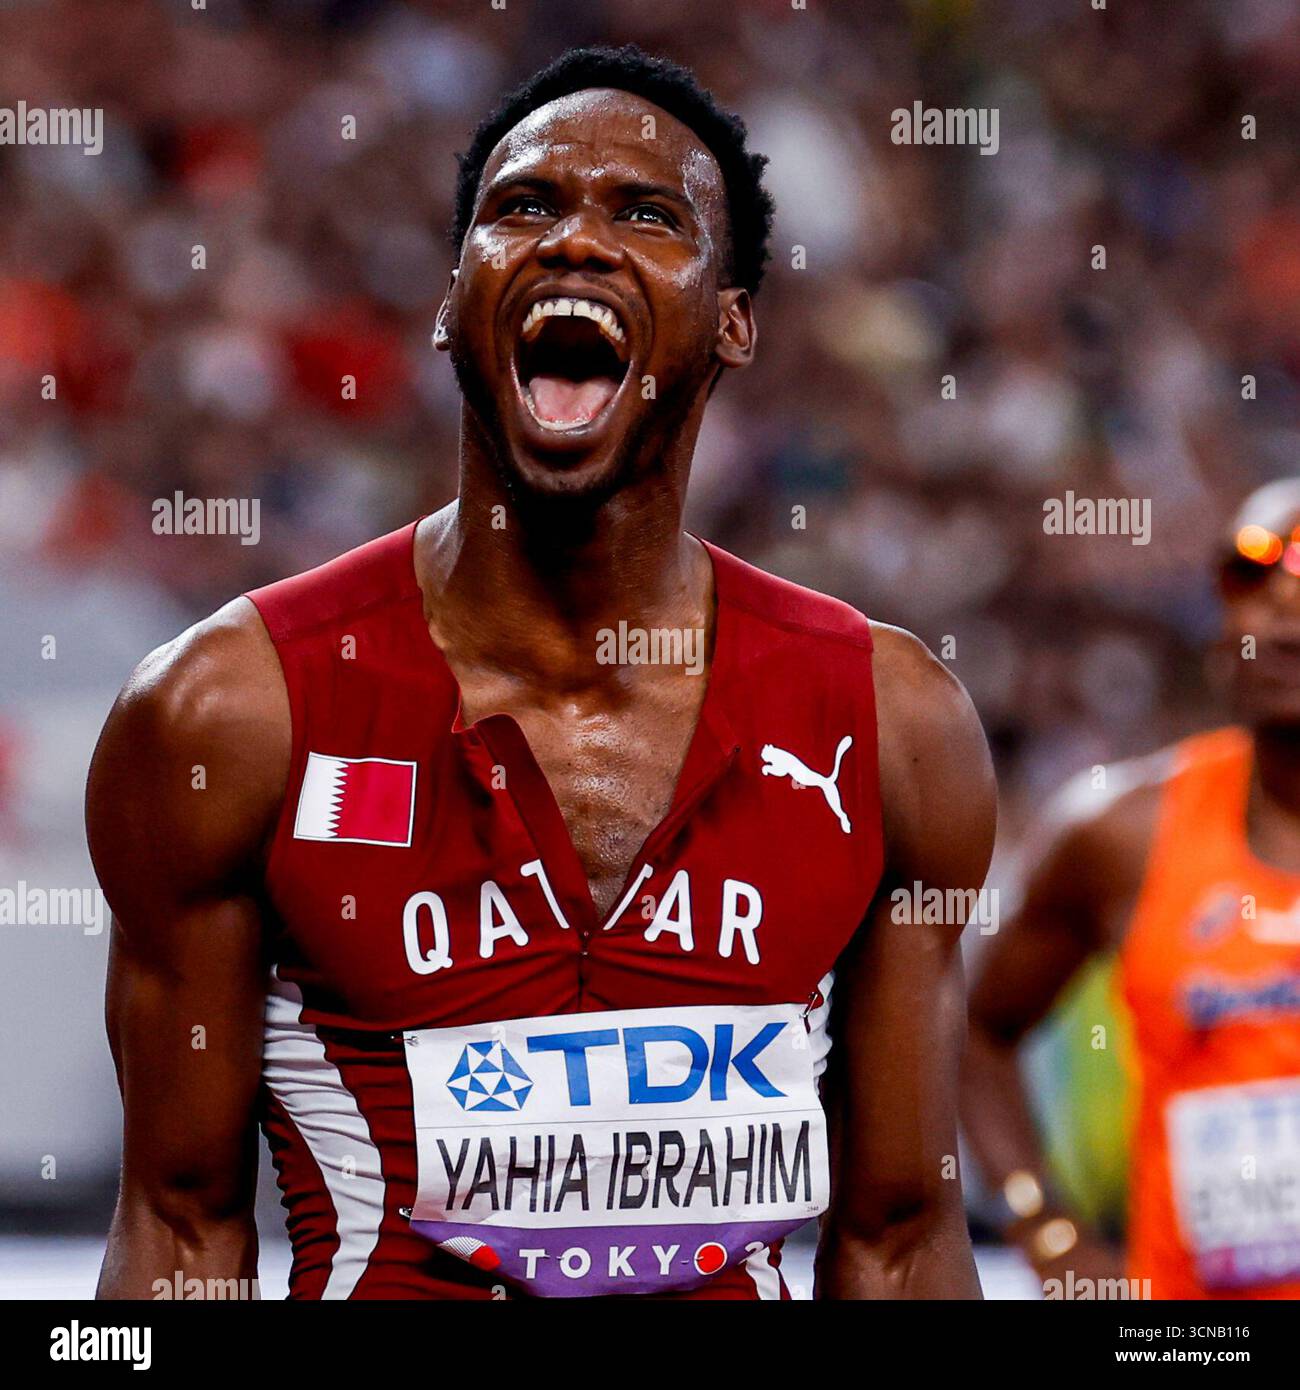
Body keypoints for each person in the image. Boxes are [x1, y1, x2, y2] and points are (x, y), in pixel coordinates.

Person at [87, 46, 995, 1301]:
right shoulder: (224, 712)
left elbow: (897, 1241)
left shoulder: (893, 725)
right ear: (455, 302)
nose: (574, 241)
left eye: (646, 214)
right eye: (523, 206)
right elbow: (180, 1231)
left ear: (732, 320)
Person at [964, 479, 1300, 1300]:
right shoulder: (1118, 835)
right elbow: (973, 1033)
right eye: (1246, 588)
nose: (1277, 623)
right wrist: (1049, 1235)